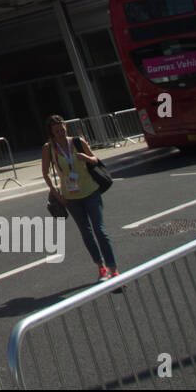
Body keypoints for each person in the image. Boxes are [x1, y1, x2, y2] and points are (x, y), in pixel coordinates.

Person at [41, 114, 119, 282]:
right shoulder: (49, 148)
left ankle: (113, 268)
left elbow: (95, 159)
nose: (60, 133)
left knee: (100, 230)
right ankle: (101, 267)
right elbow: (45, 172)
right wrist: (56, 193)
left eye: (62, 129)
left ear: (65, 127)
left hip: (90, 191)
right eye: (57, 131)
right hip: (70, 197)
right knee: (86, 232)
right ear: (52, 133)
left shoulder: (77, 142)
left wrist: (86, 158)